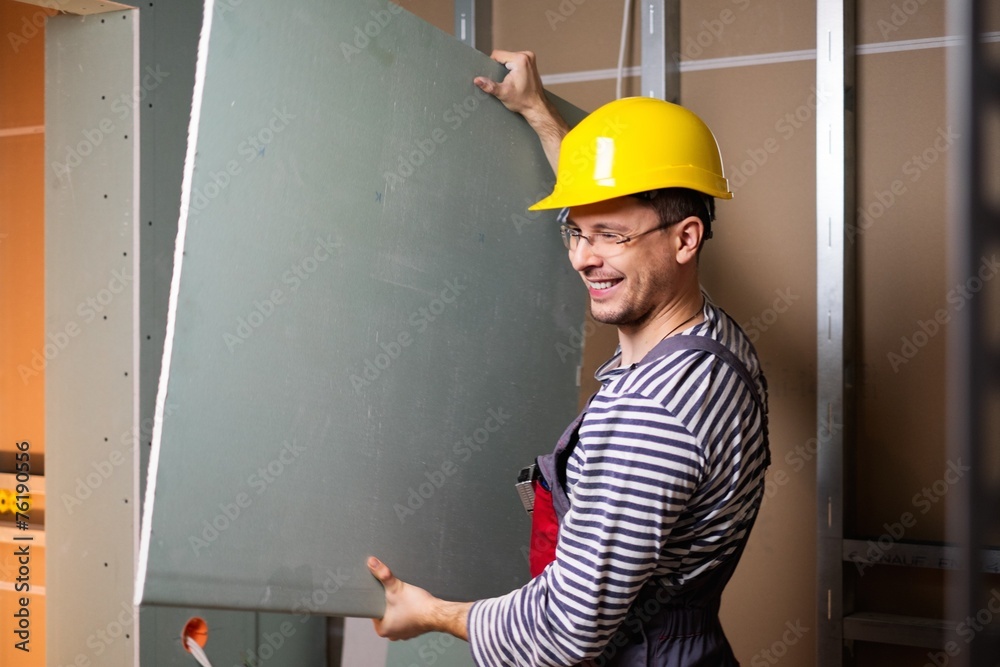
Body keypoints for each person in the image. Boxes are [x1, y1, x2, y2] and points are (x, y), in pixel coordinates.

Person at [366, 50, 770, 666]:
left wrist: (435, 615)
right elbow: (609, 211)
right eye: (575, 231)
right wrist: (538, 114)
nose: (583, 257)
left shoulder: (650, 414)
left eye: (611, 237)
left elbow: (567, 630)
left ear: (686, 238)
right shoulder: (713, 344)